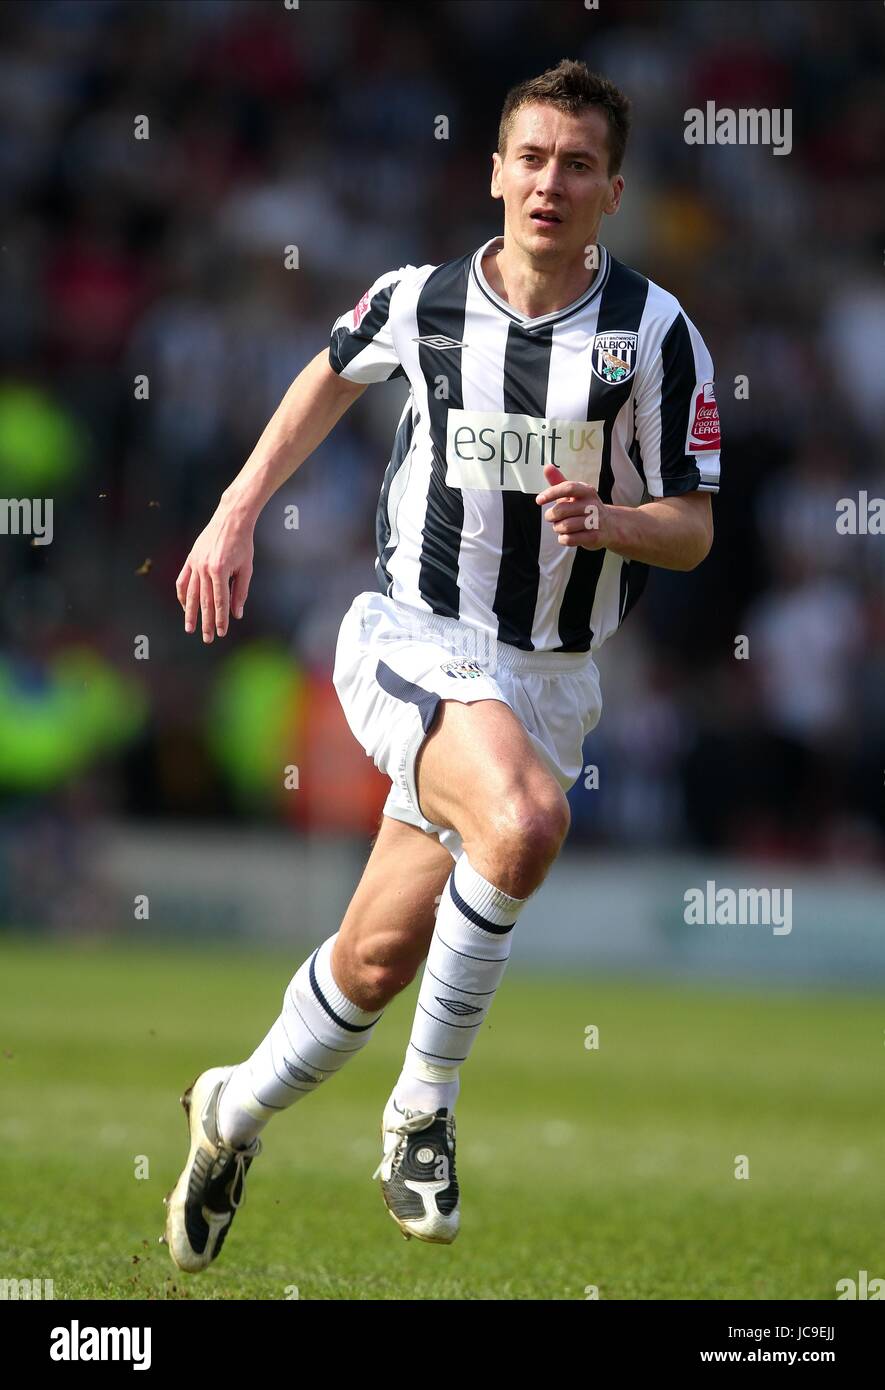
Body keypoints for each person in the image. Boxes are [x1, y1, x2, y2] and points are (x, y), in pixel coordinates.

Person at [163, 59, 720, 1272]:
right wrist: (236, 508)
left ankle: (230, 1111)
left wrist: (616, 523)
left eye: (577, 164)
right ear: (495, 171)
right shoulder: (420, 300)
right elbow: (326, 374)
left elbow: (694, 526)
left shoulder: (654, 335)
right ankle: (423, 1112)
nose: (549, 183)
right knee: (523, 823)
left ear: (613, 189)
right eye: (531, 158)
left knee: (371, 960)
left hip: (553, 678)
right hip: (416, 636)